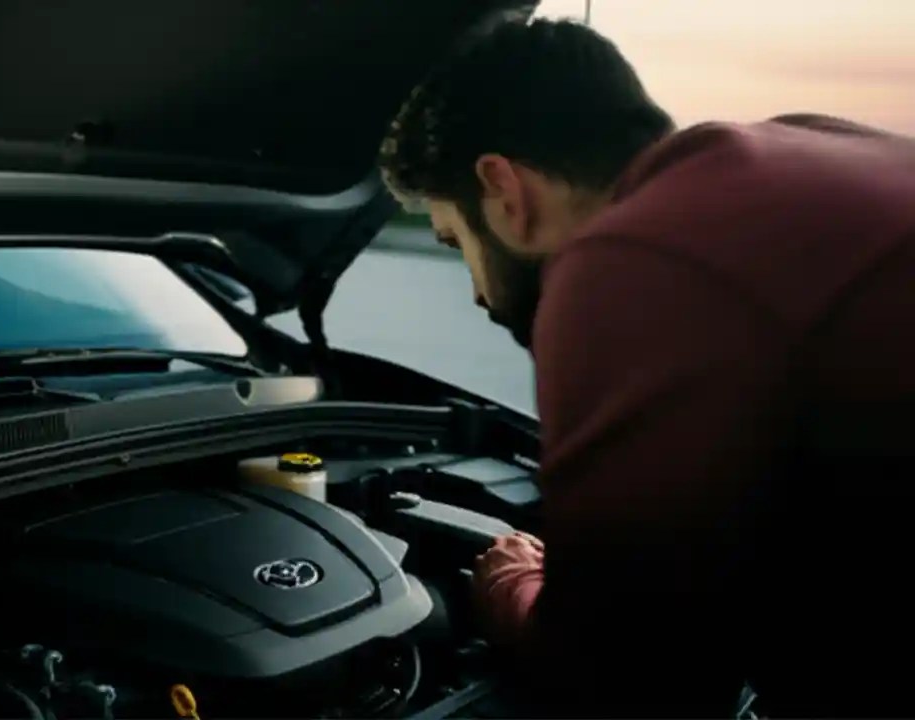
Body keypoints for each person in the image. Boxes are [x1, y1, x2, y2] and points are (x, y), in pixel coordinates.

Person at [378, 16, 915, 719]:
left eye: (456, 243)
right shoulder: (808, 148)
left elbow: (627, 684)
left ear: (503, 188)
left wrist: (513, 589)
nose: (477, 291)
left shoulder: (634, 258)